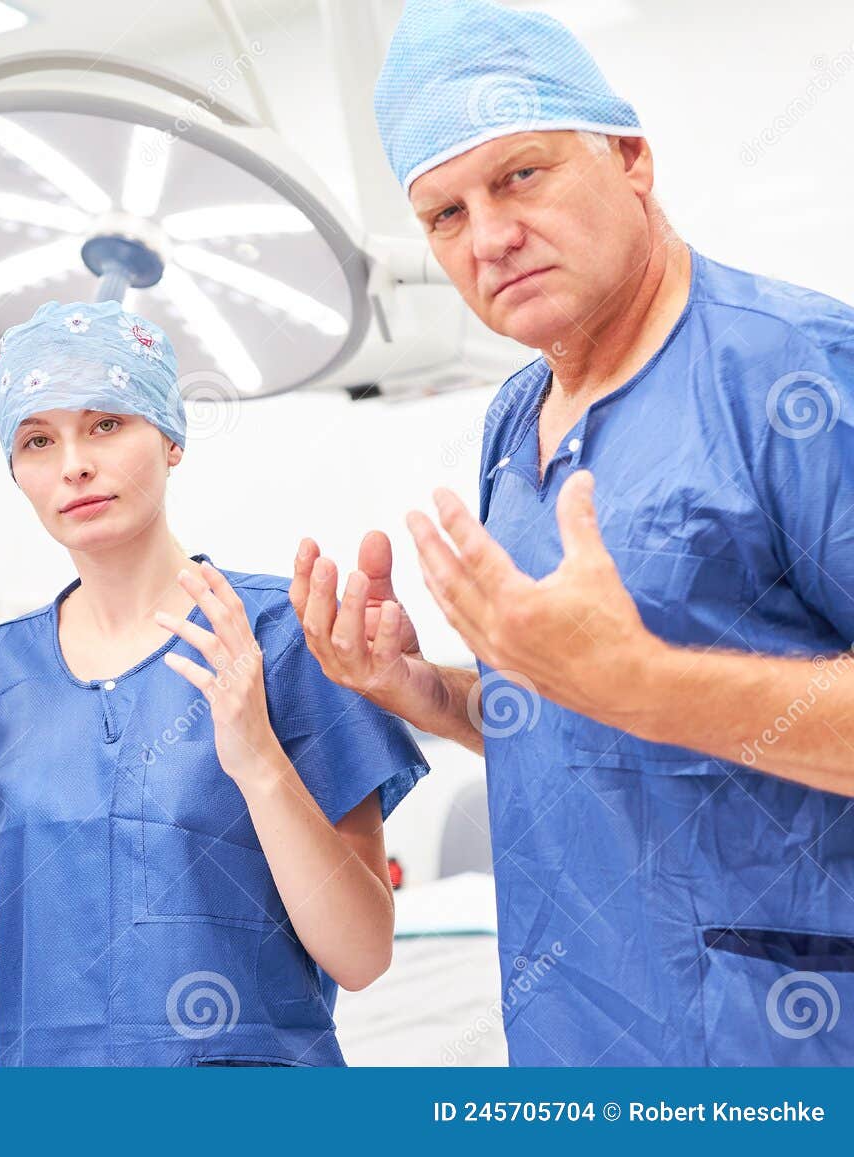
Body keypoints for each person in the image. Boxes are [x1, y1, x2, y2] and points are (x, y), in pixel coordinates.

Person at [292, 0, 854, 1064]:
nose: (490, 237)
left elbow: (627, 686)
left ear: (631, 158)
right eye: (443, 213)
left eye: (520, 175)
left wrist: (646, 678)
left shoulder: (794, 375)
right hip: (573, 1039)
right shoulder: (515, 420)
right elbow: (568, 718)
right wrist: (424, 692)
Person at [0, 300, 428, 1066]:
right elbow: (15, 980)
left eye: (106, 424)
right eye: (38, 439)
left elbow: (363, 954)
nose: (73, 463)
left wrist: (258, 760)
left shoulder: (280, 637)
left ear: (170, 438)